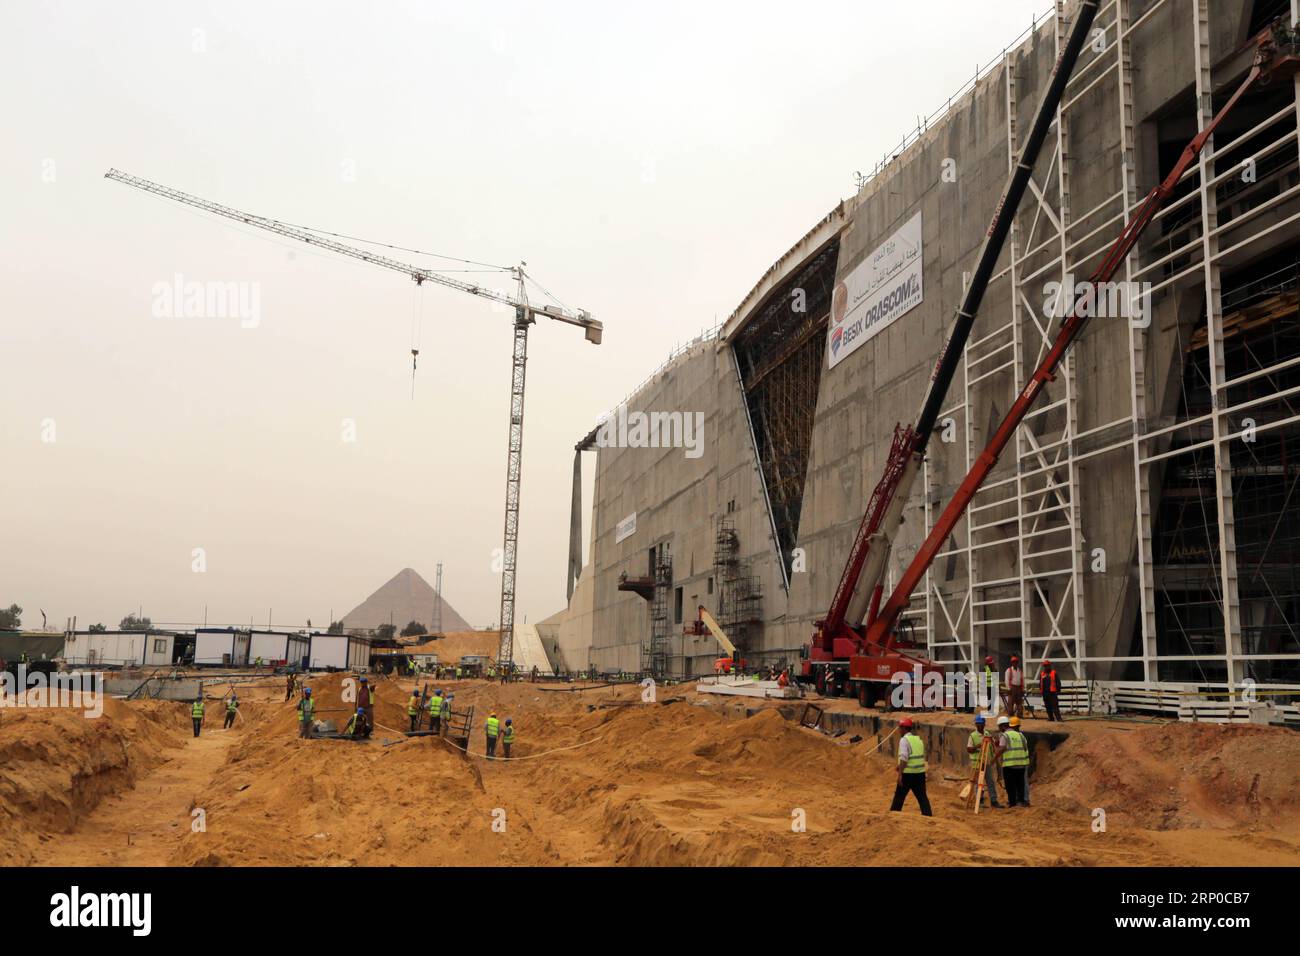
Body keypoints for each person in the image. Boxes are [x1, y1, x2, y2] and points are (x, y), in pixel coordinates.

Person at [889, 717, 932, 816]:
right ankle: (928, 816)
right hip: (920, 774)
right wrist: (900, 766)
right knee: (922, 798)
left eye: (900, 727)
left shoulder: (904, 740)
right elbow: (914, 756)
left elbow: (904, 757)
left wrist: (900, 774)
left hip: (908, 774)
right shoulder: (918, 739)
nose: (899, 730)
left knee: (899, 798)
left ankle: (892, 817)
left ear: (904, 728)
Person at [966, 714, 1001, 809]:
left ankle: (994, 800)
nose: (979, 725)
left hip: (987, 762)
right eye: (978, 724)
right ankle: (979, 801)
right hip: (977, 763)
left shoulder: (987, 734)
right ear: (976, 725)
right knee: (978, 783)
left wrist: (996, 742)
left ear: (984, 724)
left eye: (981, 724)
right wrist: (978, 746)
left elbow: (993, 746)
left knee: (990, 781)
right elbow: (969, 749)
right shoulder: (972, 736)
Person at [1000, 715, 1031, 807]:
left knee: (1012, 784)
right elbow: (1025, 749)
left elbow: (1002, 749)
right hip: (1023, 762)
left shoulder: (1006, 735)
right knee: (1021, 783)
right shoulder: (1021, 736)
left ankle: (1016, 801)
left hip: (1011, 763)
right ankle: (1022, 800)